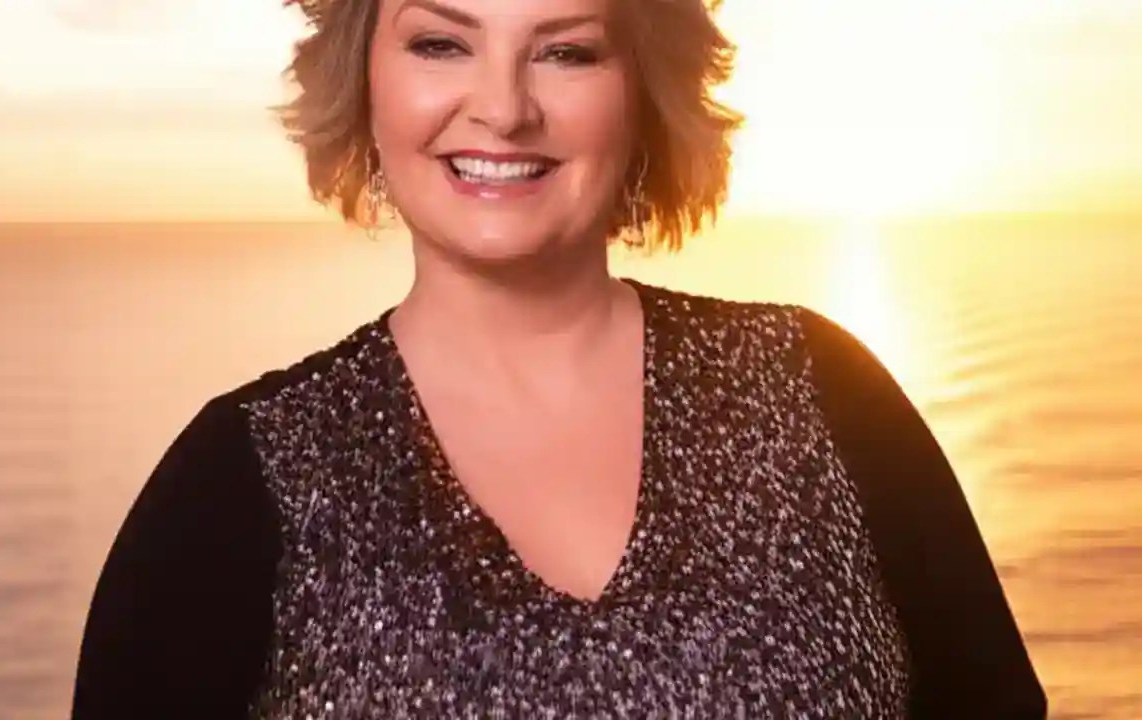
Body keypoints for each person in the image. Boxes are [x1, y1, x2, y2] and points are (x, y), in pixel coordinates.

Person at [71, 0, 1047, 717]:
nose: (502, 109)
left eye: (566, 51)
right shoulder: (239, 480)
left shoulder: (820, 394)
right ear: (363, 77)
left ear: (643, 91)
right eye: (441, 42)